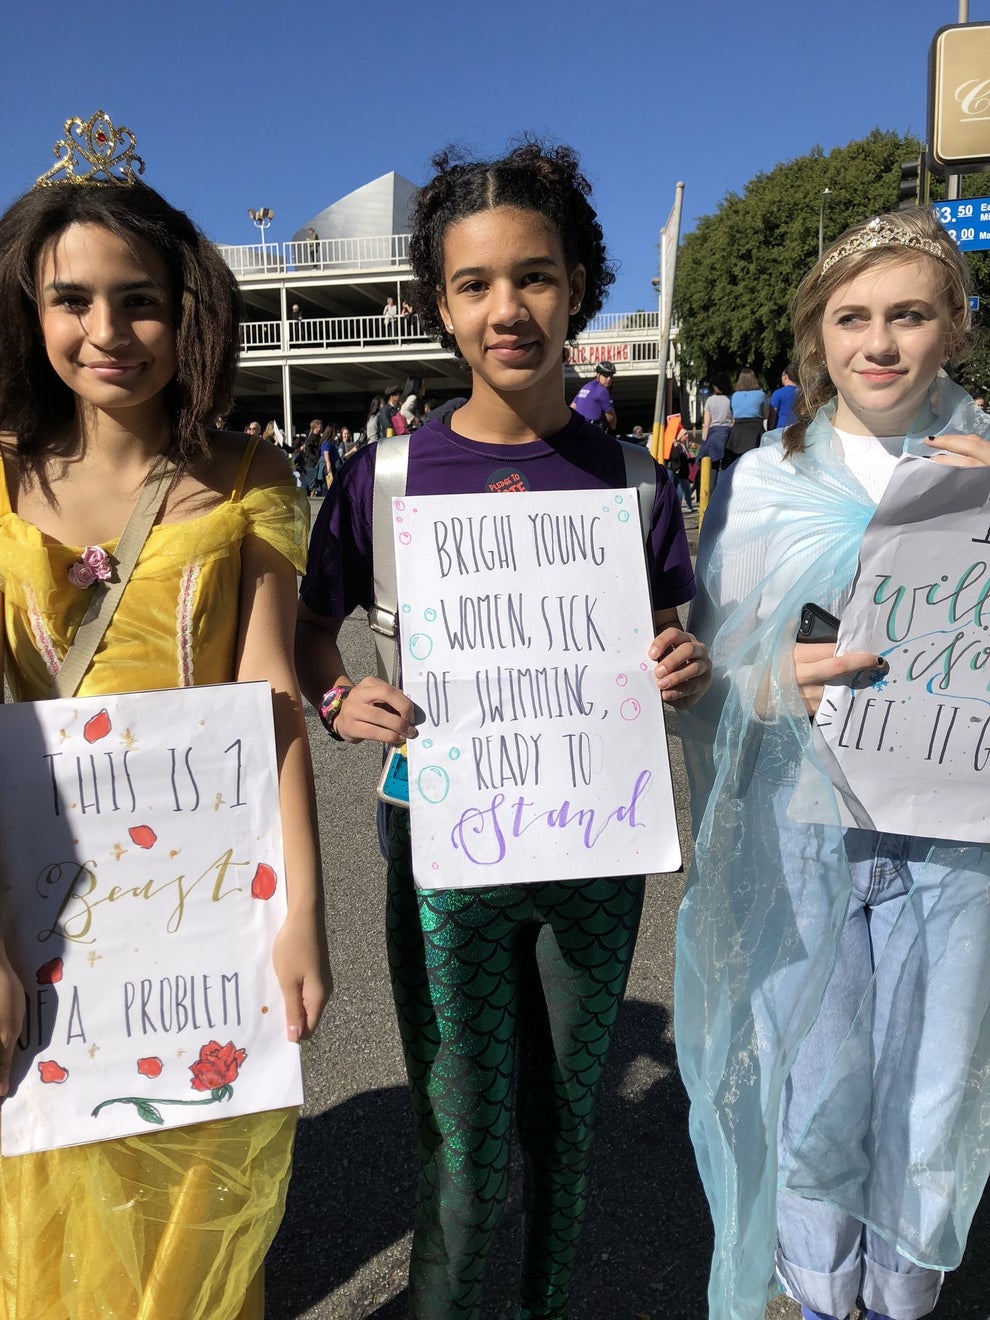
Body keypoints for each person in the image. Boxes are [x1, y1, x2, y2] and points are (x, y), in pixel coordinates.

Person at [295, 139, 711, 1320]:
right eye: (474, 283)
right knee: (466, 1148)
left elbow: (661, 638)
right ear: (440, 304)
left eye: (534, 276)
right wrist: (337, 697)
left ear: (579, 286)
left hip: (593, 851)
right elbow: (312, 637)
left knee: (563, 1132)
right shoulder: (383, 477)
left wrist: (681, 665)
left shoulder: (634, 481)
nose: (507, 308)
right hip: (444, 850)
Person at [0, 110, 330, 1319]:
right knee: (49, 1213)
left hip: (199, 909)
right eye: (71, 300)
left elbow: (273, 699)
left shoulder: (248, 477)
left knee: (190, 1212)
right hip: (38, 904)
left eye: (138, 300)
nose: (106, 331)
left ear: (186, 310)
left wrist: (303, 910)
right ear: (29, 310)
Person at [676, 208, 990, 1320]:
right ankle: (820, 1291)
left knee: (935, 1078)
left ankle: (903, 1294)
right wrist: (765, 678)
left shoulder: (988, 464)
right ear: (818, 335)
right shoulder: (766, 481)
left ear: (955, 327)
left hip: (958, 833)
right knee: (814, 1069)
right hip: (804, 822)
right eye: (853, 318)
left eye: (910, 315)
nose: (880, 343)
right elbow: (712, 661)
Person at [723, 367, 767, 467]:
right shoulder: (761, 395)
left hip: (738, 432)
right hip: (755, 430)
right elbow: (766, 415)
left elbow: (732, 414)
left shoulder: (734, 396)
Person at [698, 378, 732, 490]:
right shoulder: (730, 399)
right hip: (727, 434)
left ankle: (711, 493)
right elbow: (733, 420)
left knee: (712, 465)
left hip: (713, 434)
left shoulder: (710, 400)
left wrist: (704, 440)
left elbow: (706, 423)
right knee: (726, 465)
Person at [570, 359, 617, 430]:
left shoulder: (586, 386)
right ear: (598, 375)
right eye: (606, 375)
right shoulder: (602, 390)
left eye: (611, 375)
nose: (609, 379)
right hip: (590, 429)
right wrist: (613, 430)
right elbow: (610, 416)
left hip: (576, 428)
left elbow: (572, 407)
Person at [667, 425, 694, 511]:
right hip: (680, 472)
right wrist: (675, 446)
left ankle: (688, 507)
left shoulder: (683, 446)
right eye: (685, 434)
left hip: (684, 472)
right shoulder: (678, 446)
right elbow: (675, 456)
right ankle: (680, 508)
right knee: (681, 491)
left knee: (686, 490)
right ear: (680, 436)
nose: (687, 435)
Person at [768, 361, 799, 430]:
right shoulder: (803, 393)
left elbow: (772, 416)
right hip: (799, 428)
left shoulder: (778, 393)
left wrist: (769, 431)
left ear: (785, 376)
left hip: (781, 429)